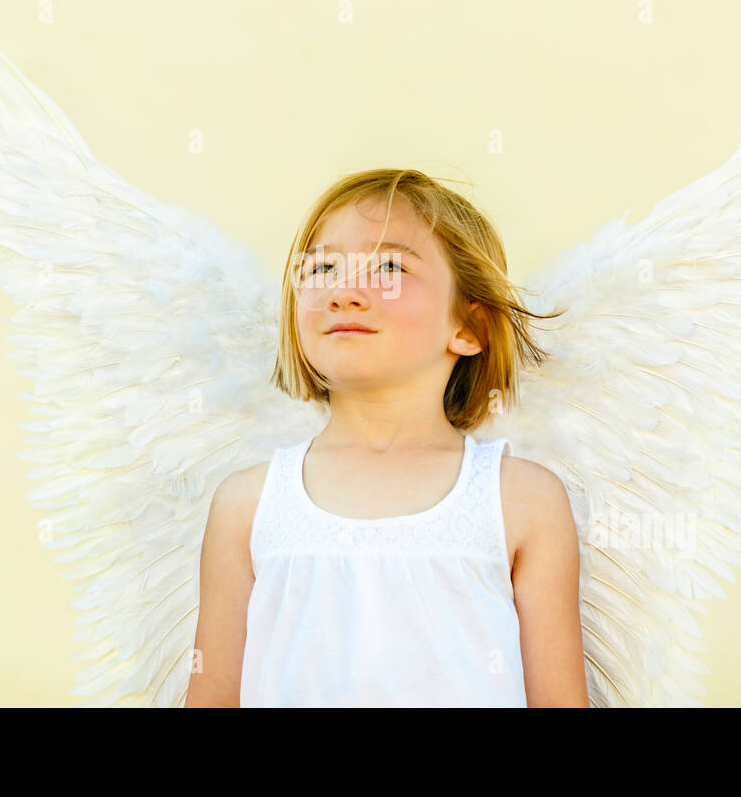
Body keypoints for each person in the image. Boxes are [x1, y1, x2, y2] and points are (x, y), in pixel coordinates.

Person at [185, 168, 588, 707]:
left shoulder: (522, 500)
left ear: (471, 328)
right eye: (324, 266)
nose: (344, 291)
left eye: (390, 268)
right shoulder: (246, 505)